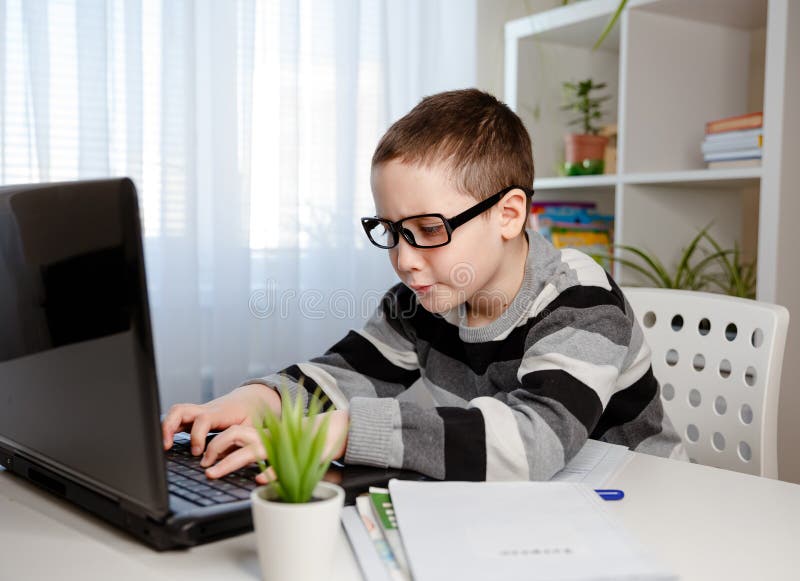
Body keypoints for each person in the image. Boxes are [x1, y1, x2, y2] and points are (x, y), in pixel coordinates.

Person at [162, 88, 686, 485]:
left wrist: (340, 431)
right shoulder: (423, 299)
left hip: (640, 500)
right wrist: (255, 400)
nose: (404, 260)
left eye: (429, 230)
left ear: (508, 214)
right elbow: (344, 374)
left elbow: (536, 441)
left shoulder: (580, 300)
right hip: (528, 507)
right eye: (390, 231)